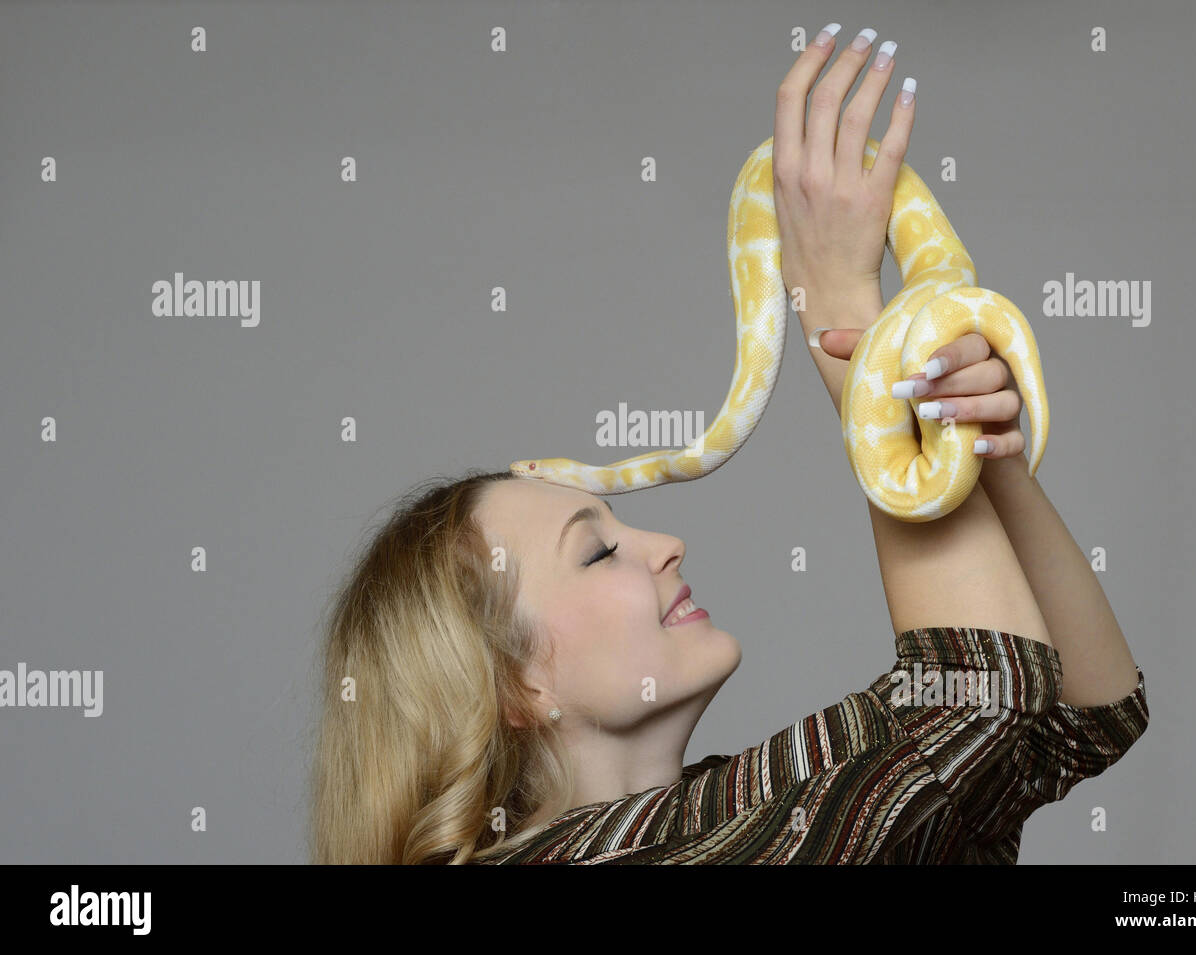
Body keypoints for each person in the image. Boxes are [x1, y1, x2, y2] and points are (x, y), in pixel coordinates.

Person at [308, 24, 1148, 865]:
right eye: (597, 552)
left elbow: (1076, 719)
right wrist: (839, 306)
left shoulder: (727, 811)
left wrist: (967, 436)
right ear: (512, 685)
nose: (667, 544)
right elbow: (979, 701)